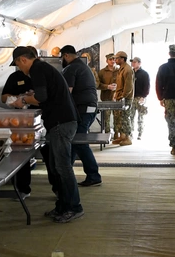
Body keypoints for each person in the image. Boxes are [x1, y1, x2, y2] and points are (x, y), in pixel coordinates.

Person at [11, 47, 83, 223]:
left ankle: (74, 207)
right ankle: (63, 205)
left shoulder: (37, 69)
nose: (20, 69)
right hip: (60, 122)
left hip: (61, 123)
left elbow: (42, 97)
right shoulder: (42, 68)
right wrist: (31, 95)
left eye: (18, 65)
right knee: (55, 166)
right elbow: (46, 94)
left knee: (63, 167)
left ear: (23, 60)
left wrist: (24, 100)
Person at [60, 45, 101, 188]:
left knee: (79, 141)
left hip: (83, 109)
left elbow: (67, 92)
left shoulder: (71, 68)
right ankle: (66, 172)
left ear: (66, 55)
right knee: (75, 140)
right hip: (88, 107)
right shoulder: (82, 66)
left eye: (61, 58)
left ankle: (93, 175)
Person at [1, 64, 39, 196]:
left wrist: (30, 98)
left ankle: (58, 189)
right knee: (21, 152)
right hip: (21, 120)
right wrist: (18, 98)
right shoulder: (15, 76)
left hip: (42, 119)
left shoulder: (41, 74)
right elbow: (3, 97)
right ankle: (23, 189)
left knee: (49, 152)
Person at [110, 51, 135, 146]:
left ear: (122, 59)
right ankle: (122, 137)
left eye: (117, 58)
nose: (115, 60)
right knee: (120, 118)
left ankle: (128, 138)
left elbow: (128, 87)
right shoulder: (121, 69)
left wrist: (122, 96)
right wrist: (116, 94)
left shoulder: (127, 70)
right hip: (120, 97)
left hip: (126, 98)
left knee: (125, 118)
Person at [129, 56, 149, 140]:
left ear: (139, 63)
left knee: (141, 116)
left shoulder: (144, 73)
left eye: (135, 62)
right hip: (131, 97)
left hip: (140, 97)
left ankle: (140, 133)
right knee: (131, 116)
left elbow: (147, 86)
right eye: (132, 62)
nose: (133, 63)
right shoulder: (130, 73)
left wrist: (143, 97)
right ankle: (131, 132)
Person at [97, 53, 117, 133]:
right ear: (107, 61)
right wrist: (107, 86)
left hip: (116, 98)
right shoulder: (102, 72)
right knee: (106, 118)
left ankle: (117, 135)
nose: (112, 61)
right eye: (110, 59)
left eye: (114, 59)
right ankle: (107, 133)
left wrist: (117, 87)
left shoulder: (119, 71)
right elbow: (98, 85)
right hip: (106, 97)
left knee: (117, 117)